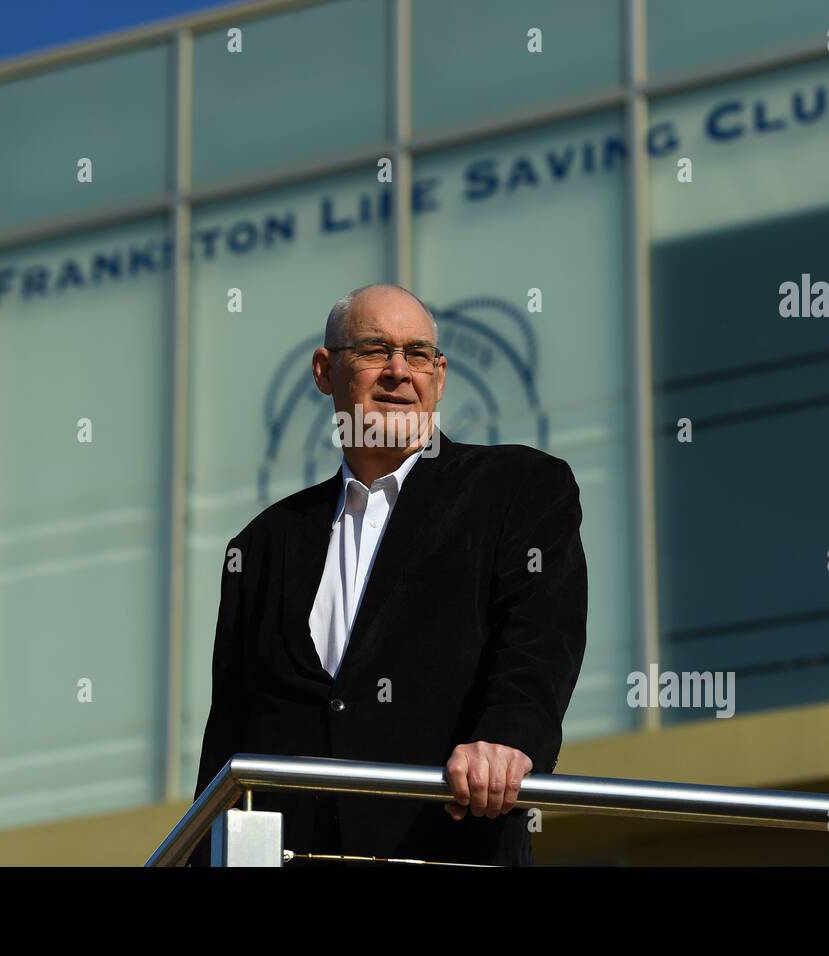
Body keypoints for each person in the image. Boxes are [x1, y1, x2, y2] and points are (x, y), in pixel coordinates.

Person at [188, 283, 587, 866]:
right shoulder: (262, 545)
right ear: (326, 371)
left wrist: (508, 738)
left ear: (441, 376)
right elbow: (230, 735)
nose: (400, 372)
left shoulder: (517, 488)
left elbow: (539, 636)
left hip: (446, 849)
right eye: (375, 350)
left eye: (418, 355)